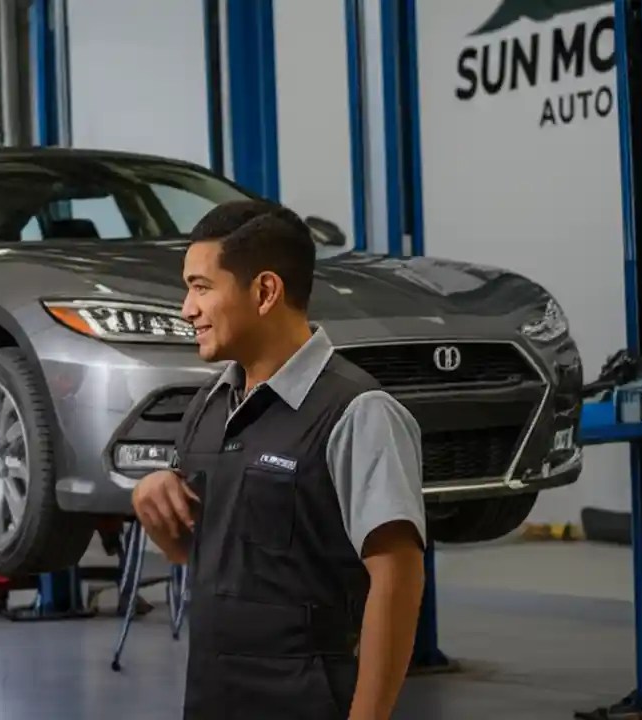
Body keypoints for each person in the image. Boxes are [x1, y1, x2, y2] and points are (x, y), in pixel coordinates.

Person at [131, 200, 427, 720]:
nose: (186, 309)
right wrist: (153, 502)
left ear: (265, 291)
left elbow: (398, 577)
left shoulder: (358, 412)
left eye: (202, 287)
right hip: (213, 697)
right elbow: (202, 557)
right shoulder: (209, 406)